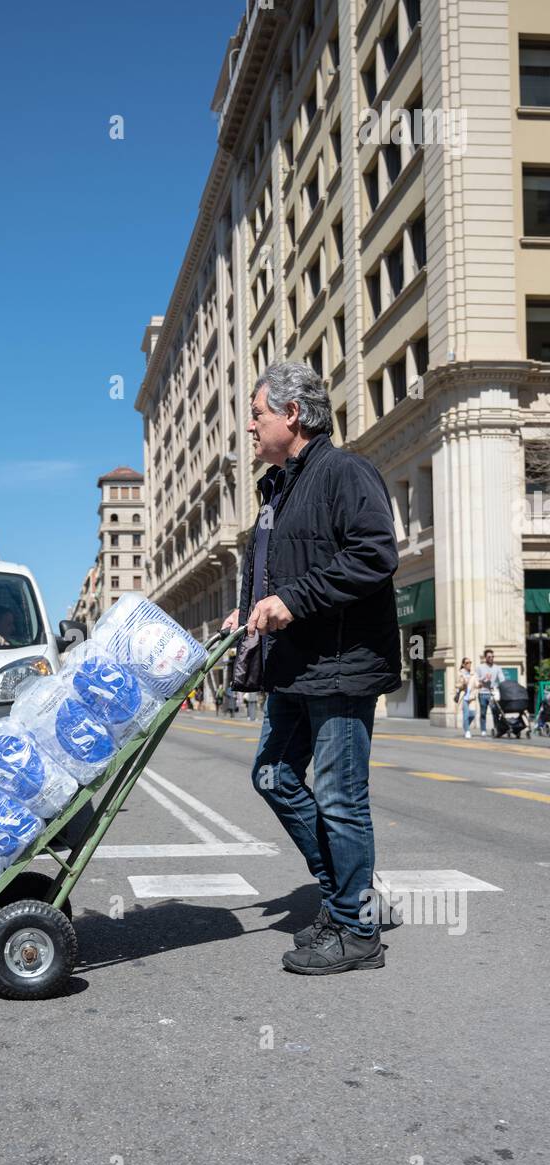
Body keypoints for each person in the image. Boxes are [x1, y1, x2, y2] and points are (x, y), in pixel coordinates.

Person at [223, 362, 401, 975]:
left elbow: (374, 555)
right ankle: (346, 891)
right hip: (293, 668)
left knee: (341, 800)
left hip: (342, 666)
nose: (250, 425)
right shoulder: (278, 487)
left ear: (292, 414)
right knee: (272, 775)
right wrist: (247, 611)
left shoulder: (344, 472)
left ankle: (358, 932)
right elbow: (277, 571)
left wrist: (292, 601)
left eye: (257, 413)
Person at [475, 647, 503, 736]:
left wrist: (501, 686)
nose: (491, 658)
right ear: (485, 658)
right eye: (489, 657)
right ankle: (483, 730)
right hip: (483, 693)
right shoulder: (480, 667)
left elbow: (502, 679)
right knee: (483, 712)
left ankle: (496, 728)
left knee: (495, 712)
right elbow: (476, 679)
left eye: (492, 657)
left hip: (493, 693)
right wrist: (482, 681)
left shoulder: (497, 668)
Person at [455, 657, 478, 738]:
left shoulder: (473, 673)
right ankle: (467, 731)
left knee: (472, 714)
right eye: (467, 663)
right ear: (463, 664)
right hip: (464, 696)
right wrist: (463, 685)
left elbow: (476, 684)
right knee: (466, 714)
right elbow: (457, 685)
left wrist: (480, 685)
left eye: (470, 662)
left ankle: (465, 724)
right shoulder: (460, 673)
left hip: (472, 696)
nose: (469, 664)